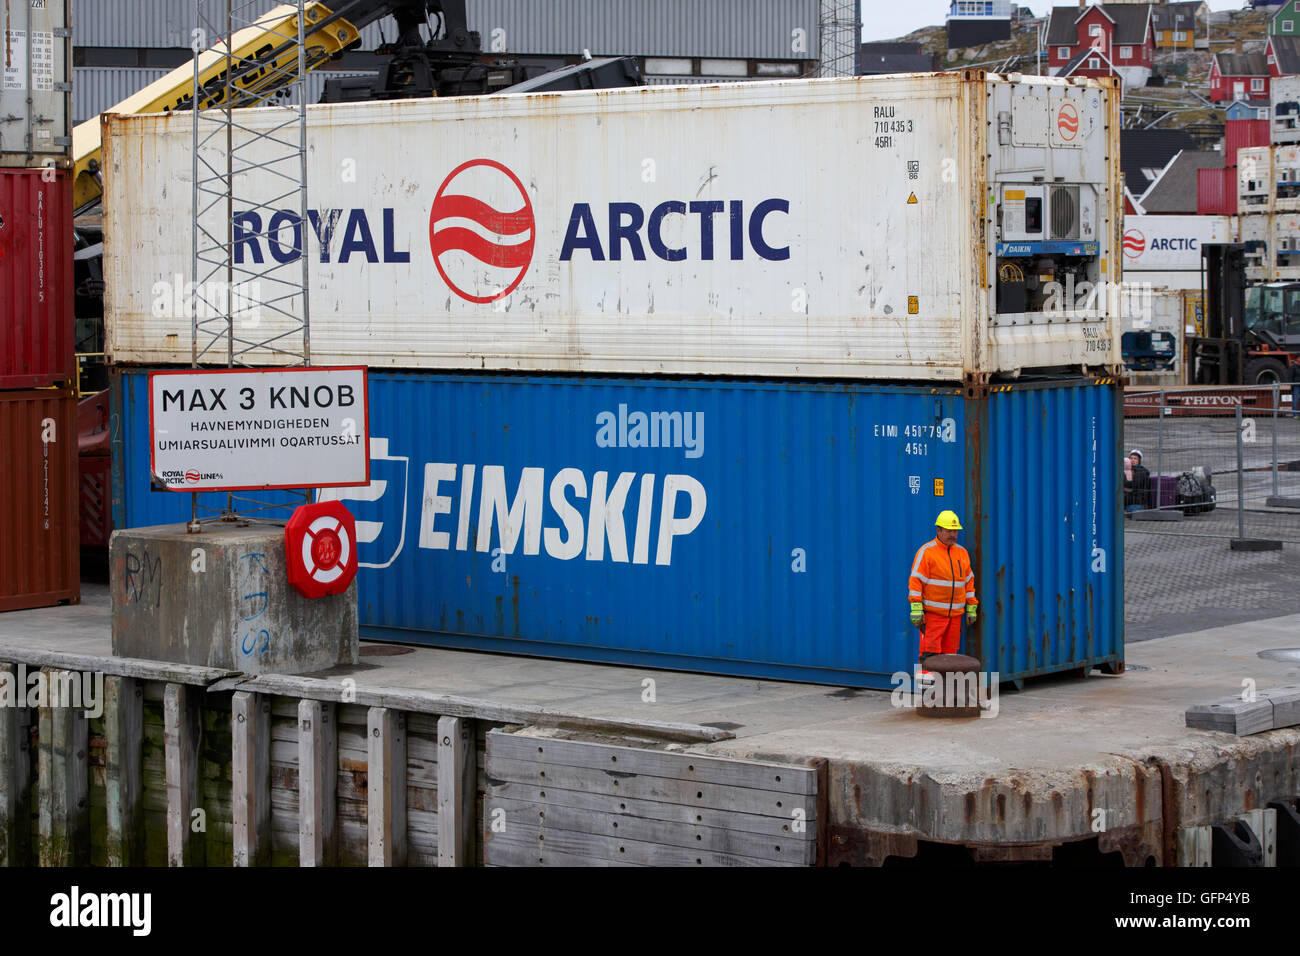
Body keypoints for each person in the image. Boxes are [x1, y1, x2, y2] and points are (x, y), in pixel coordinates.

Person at [908, 511, 978, 683]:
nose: (953, 534)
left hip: (955, 617)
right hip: (933, 616)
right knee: (929, 653)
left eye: (955, 531)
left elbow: (969, 582)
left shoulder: (962, 553)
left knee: (950, 656)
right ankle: (927, 692)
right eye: (948, 531)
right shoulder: (927, 552)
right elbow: (916, 581)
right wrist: (916, 609)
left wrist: (972, 608)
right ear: (938, 530)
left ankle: (946, 690)